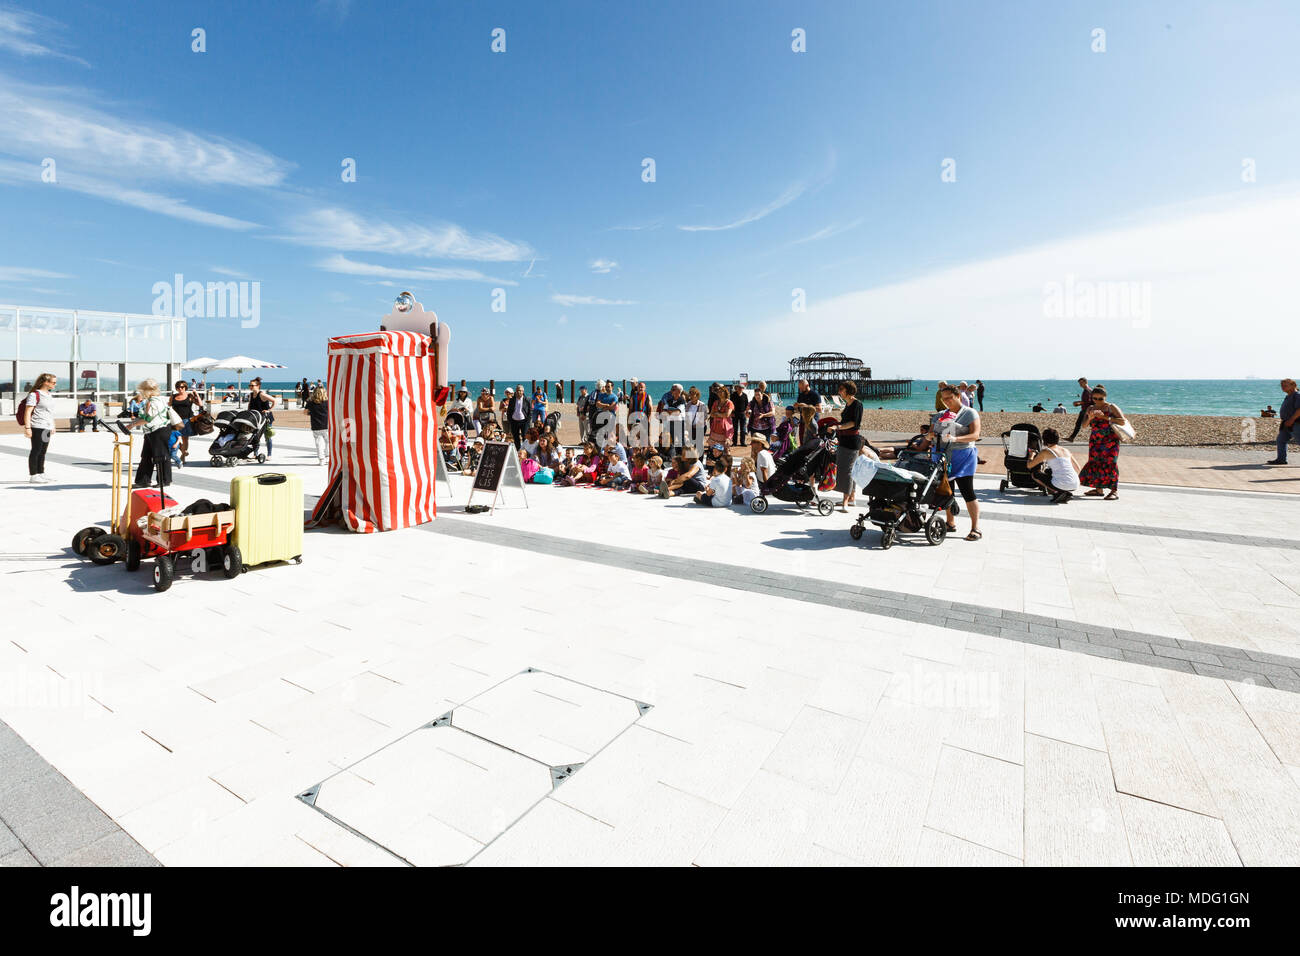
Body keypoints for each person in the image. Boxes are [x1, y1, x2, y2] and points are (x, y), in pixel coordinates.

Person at [933, 385, 982, 540]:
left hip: (963, 456)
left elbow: (975, 435)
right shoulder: (941, 414)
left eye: (949, 398)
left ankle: (975, 528)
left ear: (958, 396)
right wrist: (930, 436)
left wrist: (956, 438)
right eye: (943, 398)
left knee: (968, 491)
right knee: (948, 491)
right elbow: (932, 432)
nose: (946, 401)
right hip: (944, 456)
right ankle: (950, 522)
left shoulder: (969, 413)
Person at [1077, 384, 1125, 499]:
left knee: (1111, 464)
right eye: (1095, 398)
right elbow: (1083, 426)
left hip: (1111, 441)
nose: (1097, 401)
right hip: (1095, 441)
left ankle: (1114, 491)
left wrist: (1105, 417)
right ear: (1091, 398)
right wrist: (1090, 418)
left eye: (1100, 399)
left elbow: (1122, 421)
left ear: (1105, 397)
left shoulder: (1111, 407)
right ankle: (1099, 489)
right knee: (1095, 463)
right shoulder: (1090, 408)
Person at [131, 379, 176, 489]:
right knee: (146, 456)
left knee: (160, 456)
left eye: (142, 390)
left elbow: (148, 418)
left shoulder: (154, 401)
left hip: (158, 430)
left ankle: (164, 480)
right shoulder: (157, 400)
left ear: (147, 391)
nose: (141, 393)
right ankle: (143, 480)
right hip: (153, 431)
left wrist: (131, 425)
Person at [829, 381, 863, 512]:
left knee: (847, 471)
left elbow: (854, 423)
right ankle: (852, 498)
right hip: (843, 439)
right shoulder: (848, 404)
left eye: (841, 389)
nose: (839, 392)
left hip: (852, 441)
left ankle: (845, 501)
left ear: (848, 390)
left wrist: (838, 427)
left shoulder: (857, 404)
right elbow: (844, 422)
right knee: (849, 470)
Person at [1028, 427, 1081, 503]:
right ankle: (1064, 492)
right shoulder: (1066, 450)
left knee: (1035, 475)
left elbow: (1029, 465)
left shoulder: (1046, 451)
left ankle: (1058, 492)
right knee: (1048, 471)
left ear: (1044, 440)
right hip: (1075, 484)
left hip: (1062, 484)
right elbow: (1078, 468)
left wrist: (1031, 456)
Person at [21, 372, 57, 483]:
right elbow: (28, 412)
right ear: (46, 382)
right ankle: (33, 475)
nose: (55, 385)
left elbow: (49, 412)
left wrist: (52, 425)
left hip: (46, 427)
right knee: (36, 450)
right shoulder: (34, 395)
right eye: (53, 382)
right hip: (37, 426)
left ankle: (41, 472)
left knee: (43, 451)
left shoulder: (48, 394)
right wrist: (28, 428)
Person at [168, 379, 204, 464]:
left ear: (185, 387)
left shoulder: (189, 396)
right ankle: (183, 451)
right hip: (175, 420)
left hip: (186, 420)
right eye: (178, 387)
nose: (180, 389)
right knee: (173, 439)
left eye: (182, 387)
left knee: (185, 439)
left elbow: (200, 404)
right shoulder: (173, 396)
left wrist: (196, 394)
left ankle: (183, 456)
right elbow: (169, 406)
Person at [1267, 378, 1299, 465]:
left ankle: (1281, 459)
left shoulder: (1297, 395)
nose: (1283, 387)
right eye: (1282, 385)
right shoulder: (1289, 396)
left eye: (1285, 385)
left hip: (1295, 423)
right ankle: (1281, 459)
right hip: (1286, 423)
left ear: (1293, 385)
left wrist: (1292, 420)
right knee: (1281, 440)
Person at [247, 377, 278, 458]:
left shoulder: (262, 394)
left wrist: (269, 410)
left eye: (252, 385)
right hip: (256, 418)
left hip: (266, 418)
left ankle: (269, 454)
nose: (250, 387)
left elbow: (274, 401)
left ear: (258, 386)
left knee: (267, 436)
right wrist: (248, 412)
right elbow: (250, 404)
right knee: (255, 436)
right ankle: (255, 454)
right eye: (249, 385)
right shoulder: (251, 395)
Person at [656, 383, 685, 458]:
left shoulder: (682, 400)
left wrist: (669, 412)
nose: (672, 390)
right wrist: (671, 411)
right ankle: (672, 457)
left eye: (674, 389)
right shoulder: (670, 400)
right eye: (672, 389)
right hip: (670, 423)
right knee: (670, 441)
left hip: (679, 423)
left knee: (680, 441)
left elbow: (678, 412)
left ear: (679, 391)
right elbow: (663, 411)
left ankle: (683, 458)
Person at [306, 385, 329, 463]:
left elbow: (305, 412)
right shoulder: (327, 402)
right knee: (328, 442)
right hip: (327, 425)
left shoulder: (310, 402)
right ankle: (328, 457)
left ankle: (321, 459)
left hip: (316, 425)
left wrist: (311, 413)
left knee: (318, 443)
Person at [1066, 377, 1093, 442]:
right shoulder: (1088, 390)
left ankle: (1072, 438)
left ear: (1086, 382)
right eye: (1079, 383)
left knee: (1081, 424)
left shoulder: (1087, 390)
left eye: (1081, 383)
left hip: (1086, 410)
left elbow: (1087, 401)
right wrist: (1079, 404)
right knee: (1082, 424)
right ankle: (1071, 437)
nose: (1080, 384)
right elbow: (1087, 401)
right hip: (1086, 409)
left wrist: (1077, 403)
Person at [709, 384, 734, 451]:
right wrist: (720, 414)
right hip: (716, 426)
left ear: (725, 392)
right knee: (714, 447)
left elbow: (727, 415)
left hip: (725, 428)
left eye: (721, 392)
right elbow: (711, 414)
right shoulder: (716, 402)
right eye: (718, 392)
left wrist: (717, 413)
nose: (719, 393)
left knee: (725, 448)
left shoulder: (729, 403)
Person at [628, 381, 653, 449]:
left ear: (645, 388)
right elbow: (630, 409)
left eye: (642, 387)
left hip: (644, 418)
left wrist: (649, 419)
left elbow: (650, 409)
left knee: (645, 436)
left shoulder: (648, 396)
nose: (640, 388)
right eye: (639, 387)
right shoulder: (633, 397)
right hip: (634, 418)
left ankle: (646, 448)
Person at [592, 380, 618, 445]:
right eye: (606, 386)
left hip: (610, 417)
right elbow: (597, 404)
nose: (607, 388)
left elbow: (612, 406)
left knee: (609, 433)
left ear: (612, 387)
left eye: (608, 386)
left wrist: (603, 407)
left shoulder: (614, 397)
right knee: (600, 432)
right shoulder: (601, 395)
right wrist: (606, 405)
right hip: (601, 416)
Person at [683, 386, 707, 453]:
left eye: (694, 395)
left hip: (700, 427)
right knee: (691, 444)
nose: (692, 396)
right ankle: (692, 459)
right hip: (691, 428)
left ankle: (700, 460)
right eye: (691, 395)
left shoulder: (702, 405)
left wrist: (697, 424)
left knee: (699, 444)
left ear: (697, 395)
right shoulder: (688, 404)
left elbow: (705, 416)